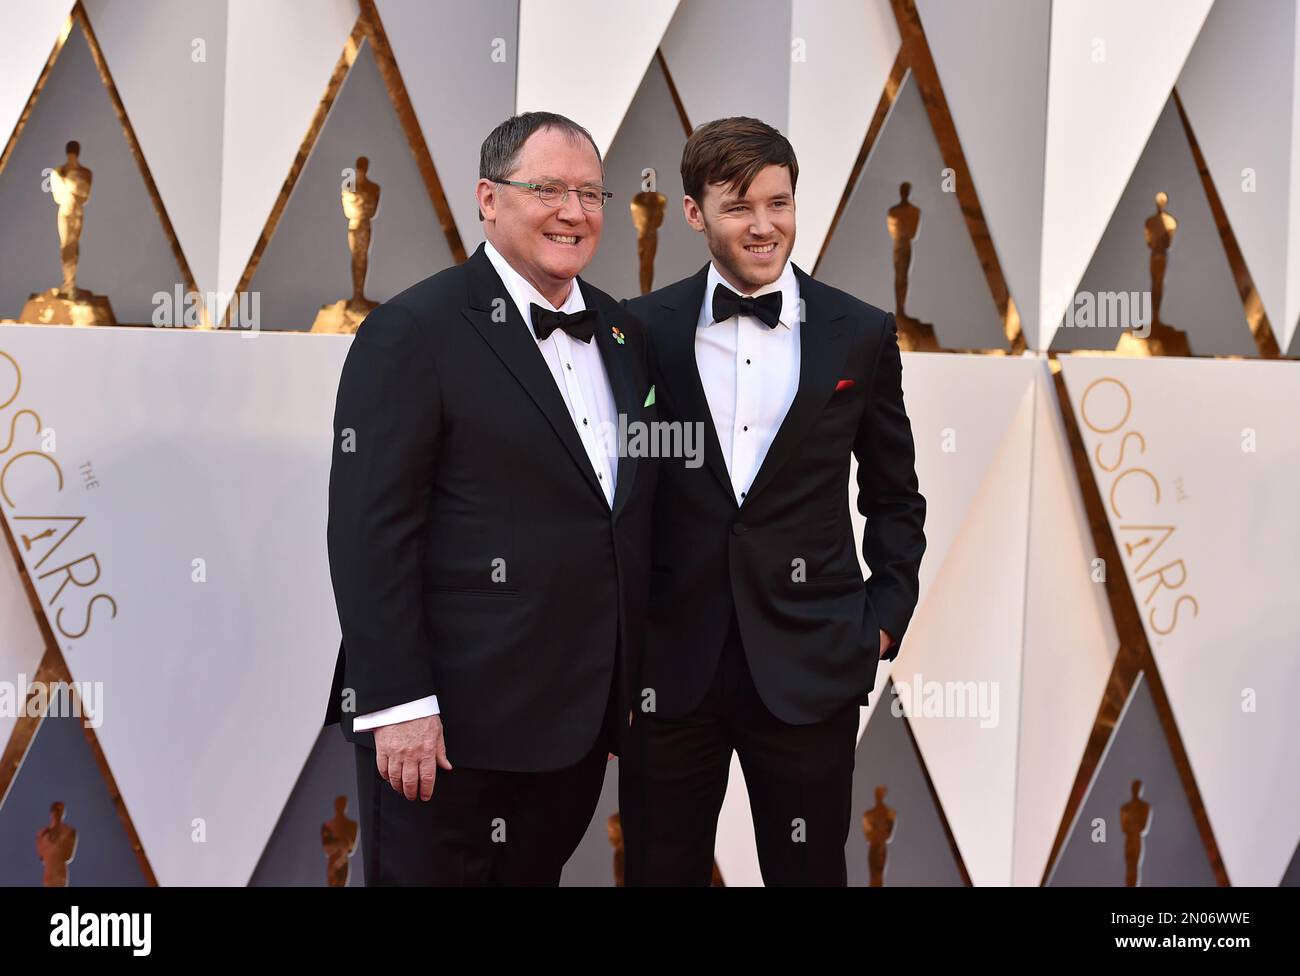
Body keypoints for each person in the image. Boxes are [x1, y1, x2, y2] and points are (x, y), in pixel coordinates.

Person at [324, 112, 656, 885]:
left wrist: (619, 687)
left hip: (572, 731)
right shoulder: (413, 330)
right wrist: (398, 703)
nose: (573, 212)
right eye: (547, 189)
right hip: (444, 735)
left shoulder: (621, 334)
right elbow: (371, 534)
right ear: (488, 197)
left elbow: (622, 516)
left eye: (589, 193)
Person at [620, 116, 926, 886]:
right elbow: (617, 497)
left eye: (780, 203)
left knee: (809, 872)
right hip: (670, 665)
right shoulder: (640, 329)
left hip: (810, 660)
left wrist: (882, 622)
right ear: (694, 214)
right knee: (659, 869)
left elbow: (894, 495)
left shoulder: (858, 332)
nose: (765, 226)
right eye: (739, 207)